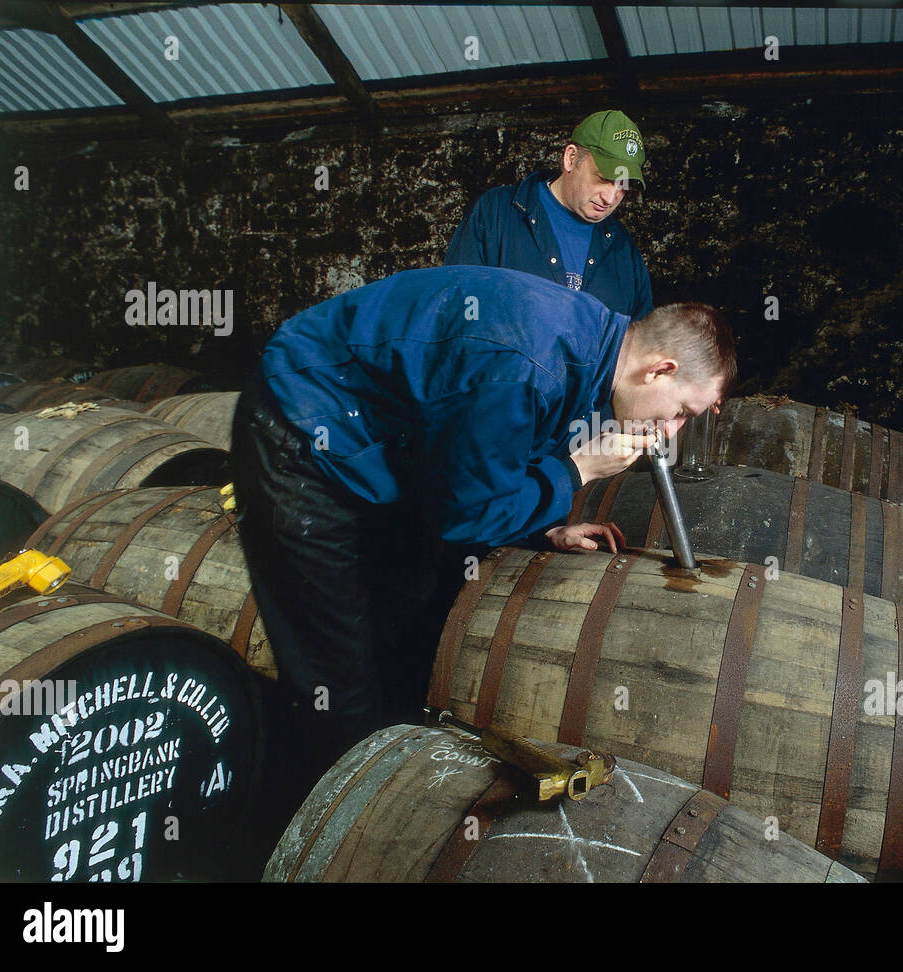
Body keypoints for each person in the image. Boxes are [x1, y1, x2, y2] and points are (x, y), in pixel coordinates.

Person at [230, 266, 735, 778]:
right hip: (302, 427)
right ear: (660, 370)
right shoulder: (522, 363)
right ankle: (316, 826)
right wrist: (575, 470)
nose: (671, 431)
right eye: (682, 412)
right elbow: (465, 517)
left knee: (409, 626)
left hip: (387, 446)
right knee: (335, 672)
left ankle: (385, 775)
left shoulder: (598, 344)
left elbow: (499, 458)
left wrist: (543, 527)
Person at [444, 109, 654, 319]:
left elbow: (642, 339)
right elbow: (462, 305)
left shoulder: (623, 246)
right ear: (571, 158)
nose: (610, 198)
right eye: (602, 179)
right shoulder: (496, 213)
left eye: (622, 185)